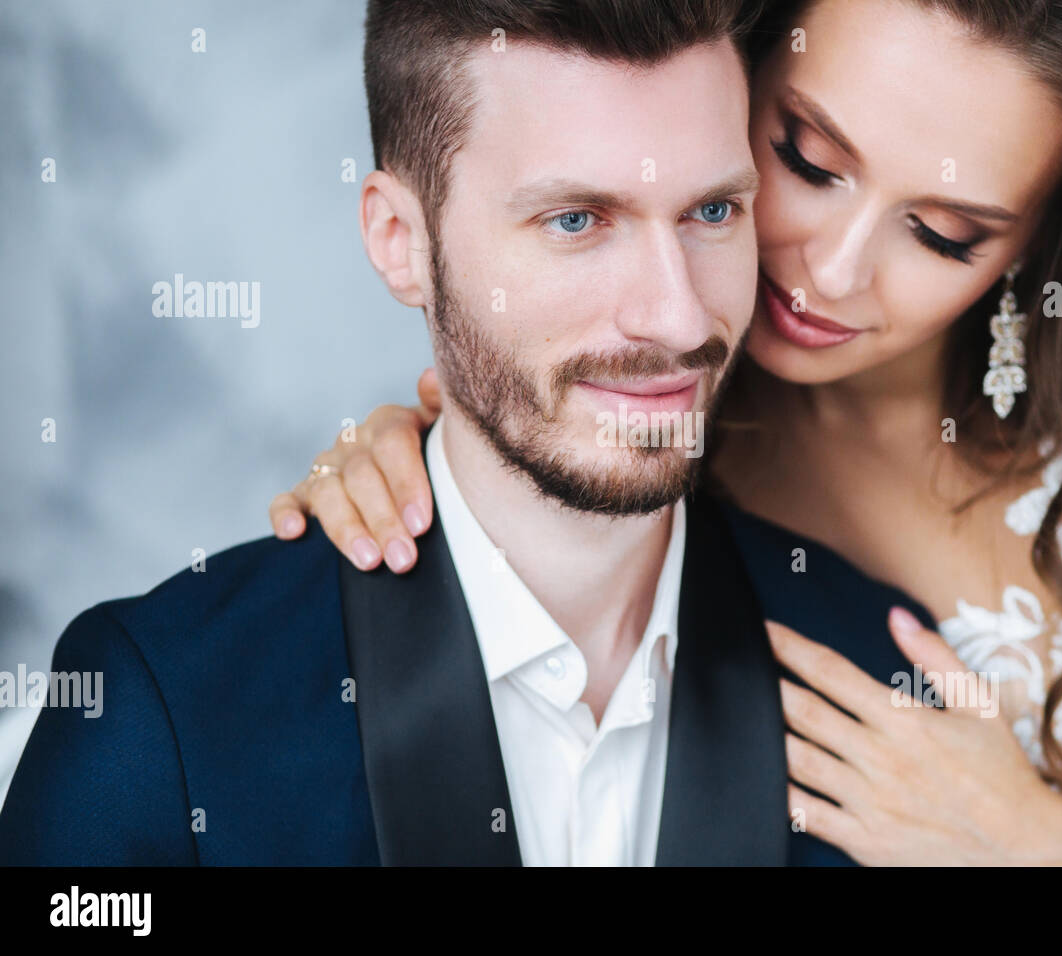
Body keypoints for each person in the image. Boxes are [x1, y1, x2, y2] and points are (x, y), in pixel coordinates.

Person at [272, 0, 1062, 864]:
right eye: (806, 159)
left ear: (1040, 241)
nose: (833, 270)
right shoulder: (642, 411)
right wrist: (399, 468)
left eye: (945, 233)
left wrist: (1033, 842)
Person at [1, 0, 933, 866]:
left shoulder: (883, 683)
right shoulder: (159, 714)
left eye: (713, 212)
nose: (679, 318)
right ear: (400, 240)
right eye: (576, 220)